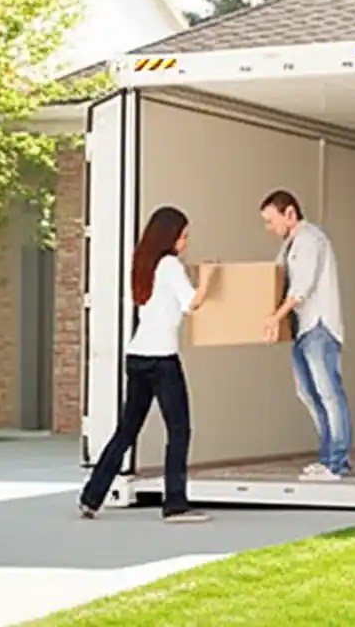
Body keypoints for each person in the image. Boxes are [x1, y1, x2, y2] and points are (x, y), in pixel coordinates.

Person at [79, 205, 215, 523]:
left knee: (127, 430)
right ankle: (175, 505)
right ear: (170, 237)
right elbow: (192, 303)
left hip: (137, 356)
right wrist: (209, 278)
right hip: (162, 360)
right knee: (179, 430)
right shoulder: (168, 264)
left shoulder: (144, 263)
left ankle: (91, 497)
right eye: (184, 236)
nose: (186, 243)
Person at [259, 189, 352, 481]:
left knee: (328, 393)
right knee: (309, 394)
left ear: (290, 213)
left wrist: (275, 317)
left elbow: (301, 288)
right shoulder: (290, 244)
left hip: (319, 327)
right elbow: (274, 278)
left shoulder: (310, 240)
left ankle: (336, 461)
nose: (269, 228)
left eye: (271, 221)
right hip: (303, 329)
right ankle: (327, 458)